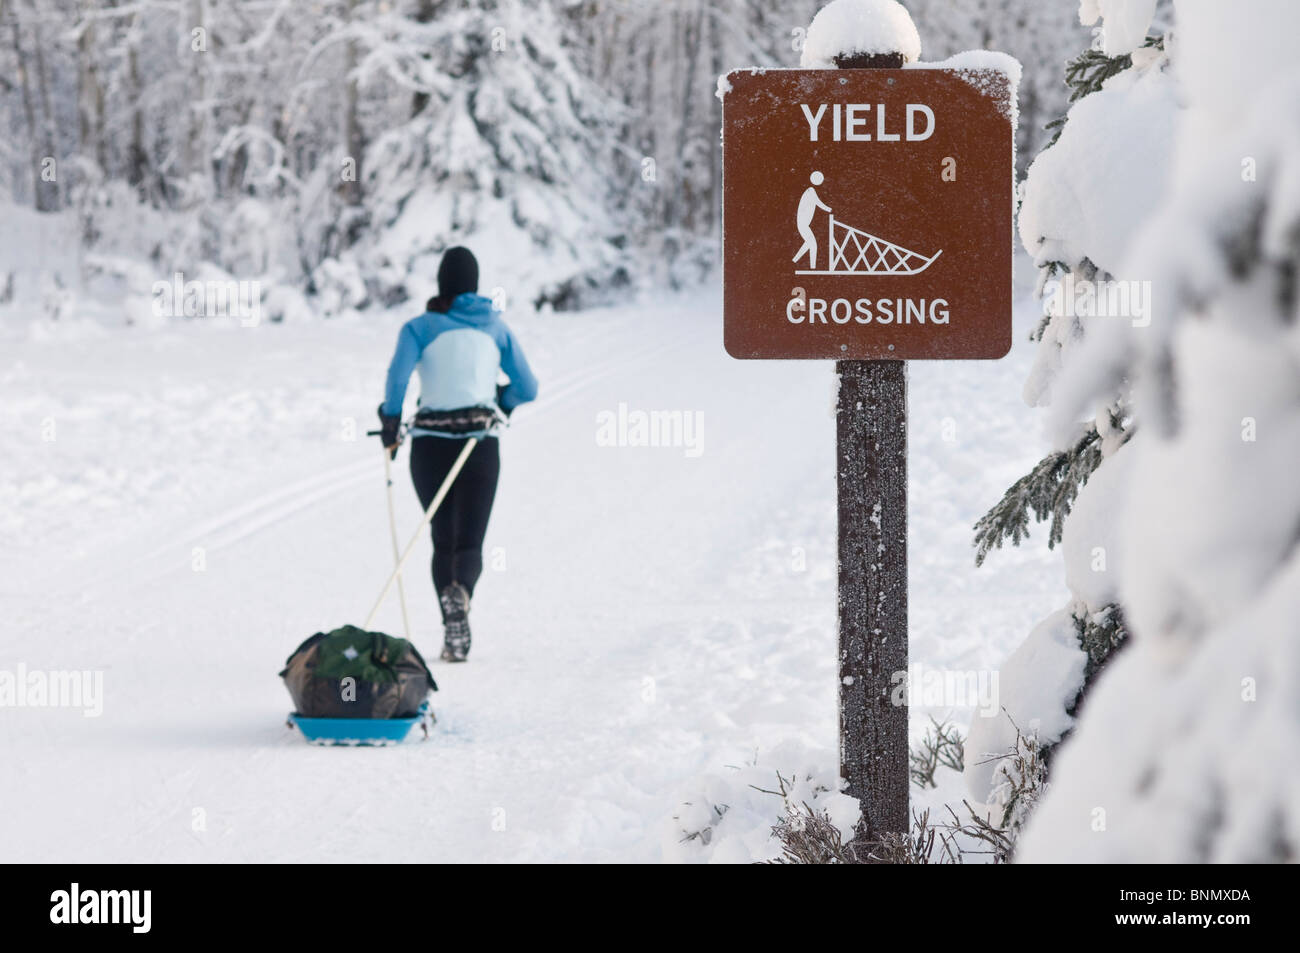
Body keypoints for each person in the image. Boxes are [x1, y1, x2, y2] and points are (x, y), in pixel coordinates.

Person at [378, 247, 538, 662]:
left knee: (441, 537)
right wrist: (501, 400)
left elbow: (397, 380)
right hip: (479, 445)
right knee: (470, 541)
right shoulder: (497, 328)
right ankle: (461, 596)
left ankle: (450, 628)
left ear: (441, 284)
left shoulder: (418, 328)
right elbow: (529, 387)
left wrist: (390, 424)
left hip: (430, 444)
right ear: (475, 284)